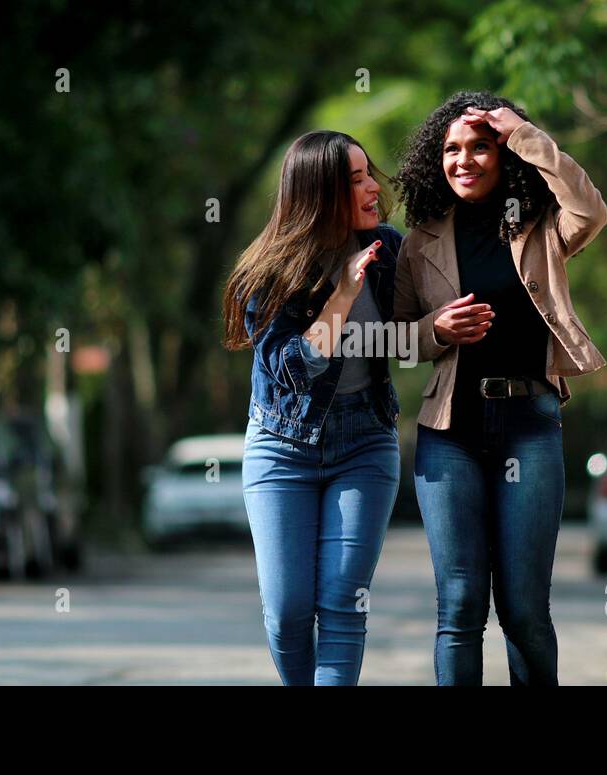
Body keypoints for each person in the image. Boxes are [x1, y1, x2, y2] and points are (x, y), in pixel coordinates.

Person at [392, 91, 607, 685]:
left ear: (503, 152)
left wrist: (524, 133)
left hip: (530, 426)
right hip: (450, 435)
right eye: (451, 149)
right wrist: (434, 330)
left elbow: (590, 211)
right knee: (459, 607)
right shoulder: (420, 240)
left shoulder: (539, 226)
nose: (464, 160)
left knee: (523, 610)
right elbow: (392, 340)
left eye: (480, 147)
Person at [220, 130, 403, 685]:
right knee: (287, 610)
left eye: (370, 172)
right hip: (282, 447)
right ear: (319, 194)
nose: (374, 187)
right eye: (356, 180)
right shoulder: (269, 272)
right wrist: (343, 296)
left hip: (365, 442)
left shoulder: (389, 249)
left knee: (344, 602)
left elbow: (415, 330)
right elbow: (295, 370)